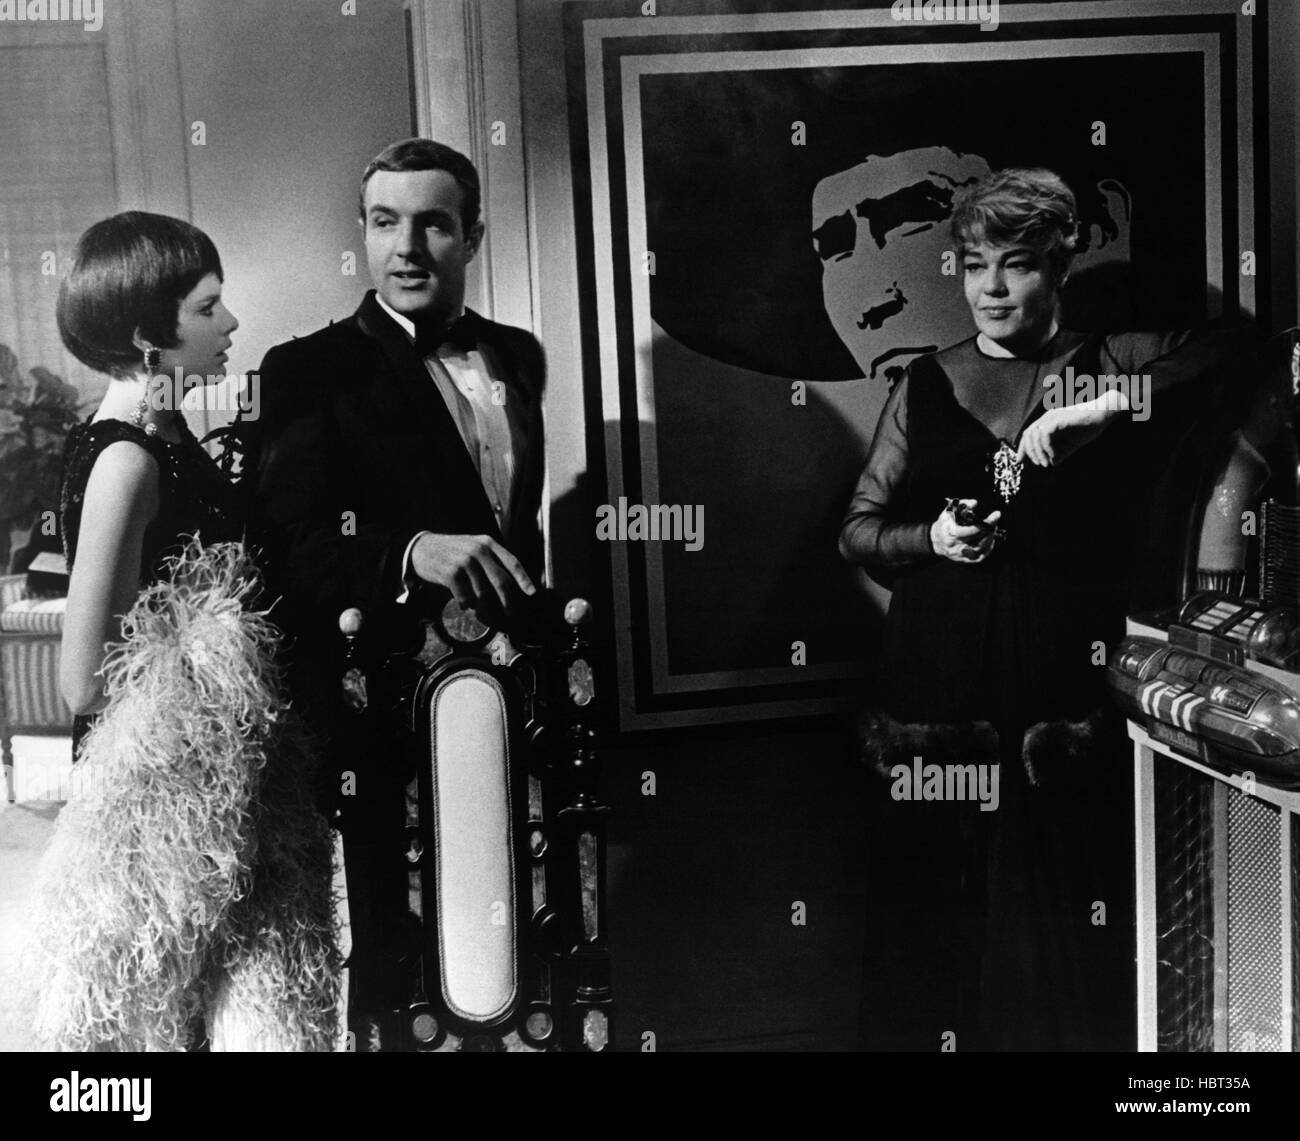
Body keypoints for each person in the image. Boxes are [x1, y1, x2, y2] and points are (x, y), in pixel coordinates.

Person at [839, 168, 1245, 1051]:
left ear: (1060, 266)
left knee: (1072, 935)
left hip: (1064, 693)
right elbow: (859, 532)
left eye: (1016, 264)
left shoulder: (1110, 360)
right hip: (936, 690)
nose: (989, 287)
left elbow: (1239, 350)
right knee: (932, 927)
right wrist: (932, 539)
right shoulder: (926, 382)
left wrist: (1099, 408)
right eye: (974, 263)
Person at [240, 138, 547, 1049]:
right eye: (384, 223)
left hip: (512, 709)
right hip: (380, 724)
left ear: (473, 234)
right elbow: (288, 549)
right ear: (364, 236)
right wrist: (411, 549)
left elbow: (516, 530)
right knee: (400, 975)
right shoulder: (307, 368)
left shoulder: (518, 356)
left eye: (433, 223)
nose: (406, 247)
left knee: (513, 957)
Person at [30, 211, 338, 1052]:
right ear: (146, 337)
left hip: (225, 800)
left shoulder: (169, 437)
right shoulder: (126, 459)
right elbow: (82, 681)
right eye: (208, 309)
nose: (232, 324)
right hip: (160, 814)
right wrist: (217, 658)